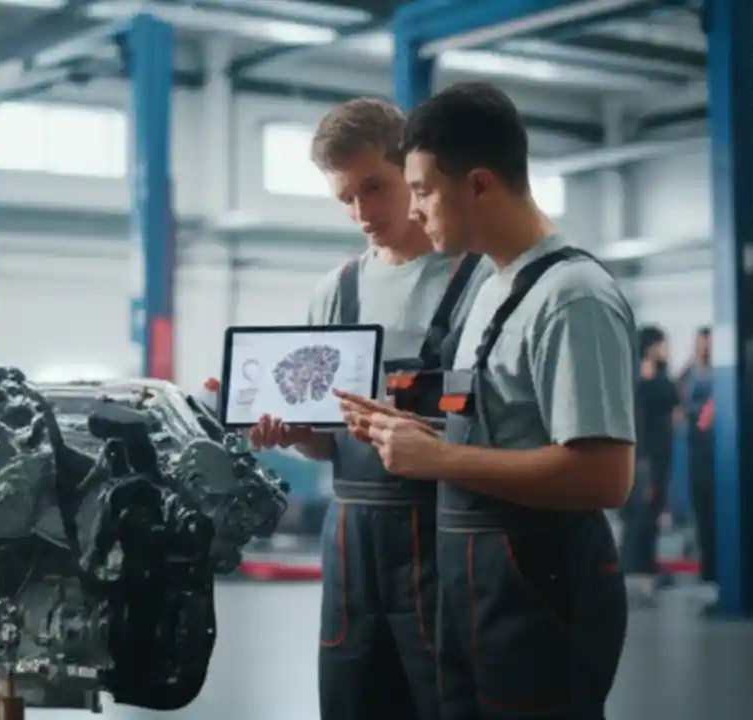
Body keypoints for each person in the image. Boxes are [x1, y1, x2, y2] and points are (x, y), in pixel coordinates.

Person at [337, 81, 636, 720]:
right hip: (470, 585)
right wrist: (407, 430)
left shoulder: (572, 297)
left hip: (540, 588)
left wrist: (442, 461)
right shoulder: (495, 289)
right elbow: (495, 425)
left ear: (478, 184)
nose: (414, 211)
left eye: (422, 191)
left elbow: (605, 476)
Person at [242, 98, 493, 720]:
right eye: (346, 198)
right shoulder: (336, 290)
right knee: (350, 700)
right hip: (351, 542)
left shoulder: (482, 280)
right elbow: (324, 443)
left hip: (446, 535)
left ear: (412, 170)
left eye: (374, 188)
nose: (361, 213)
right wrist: (293, 433)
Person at [621, 325, 679, 605]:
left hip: (659, 456)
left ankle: (647, 570)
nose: (667, 350)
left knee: (652, 514)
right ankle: (635, 574)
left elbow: (675, 403)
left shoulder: (661, 378)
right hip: (644, 458)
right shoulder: (637, 381)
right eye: (662, 345)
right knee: (640, 515)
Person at [677, 327, 715, 583]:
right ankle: (706, 565)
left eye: (709, 343)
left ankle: (717, 565)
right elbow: (678, 409)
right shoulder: (687, 375)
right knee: (701, 510)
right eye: (702, 343)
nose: (705, 347)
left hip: (718, 451)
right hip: (695, 450)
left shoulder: (719, 374)